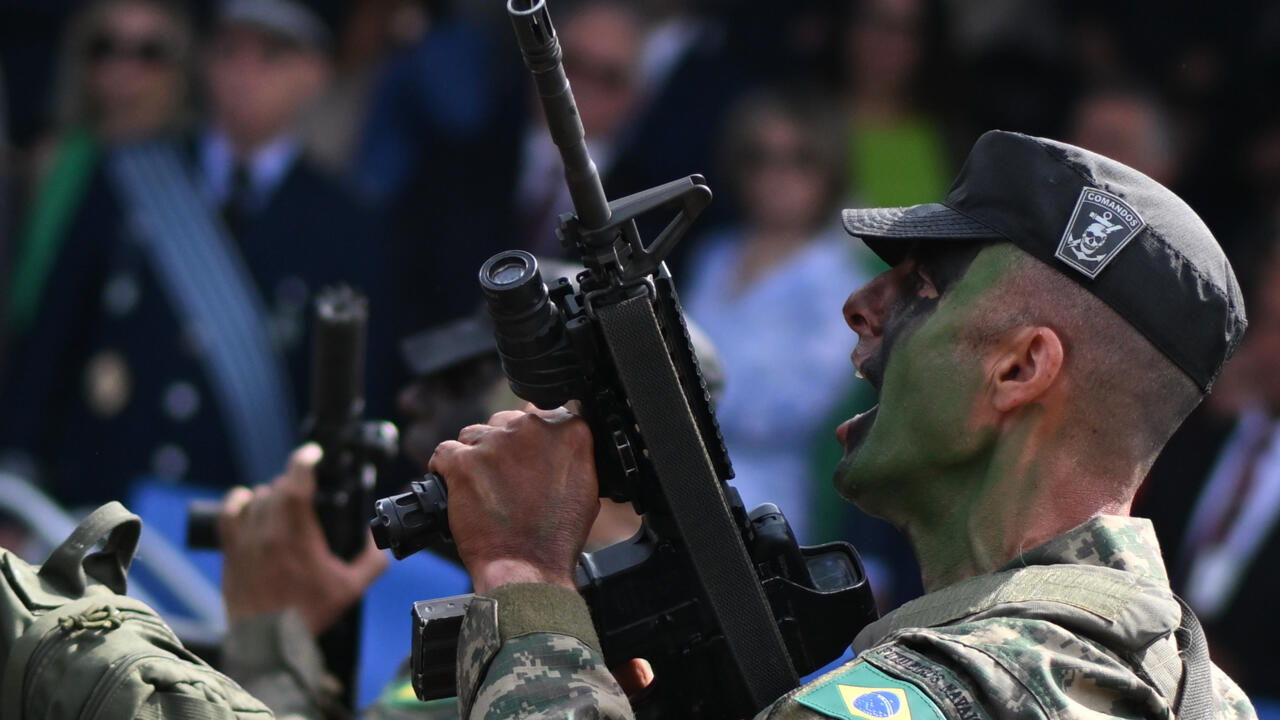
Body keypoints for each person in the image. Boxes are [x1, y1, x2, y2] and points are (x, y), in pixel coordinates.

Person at [424, 130, 1257, 718]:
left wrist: (524, 570)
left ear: (1019, 369)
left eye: (922, 288)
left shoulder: (950, 691)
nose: (860, 305)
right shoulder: (1202, 695)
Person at [0, 0, 389, 506]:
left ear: (315, 73)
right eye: (229, 50)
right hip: (100, 507)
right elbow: (50, 343)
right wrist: (16, 477)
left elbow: (355, 400)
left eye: (271, 55)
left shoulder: (349, 225)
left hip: (240, 528)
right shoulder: (125, 177)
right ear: (204, 61)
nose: (244, 72)